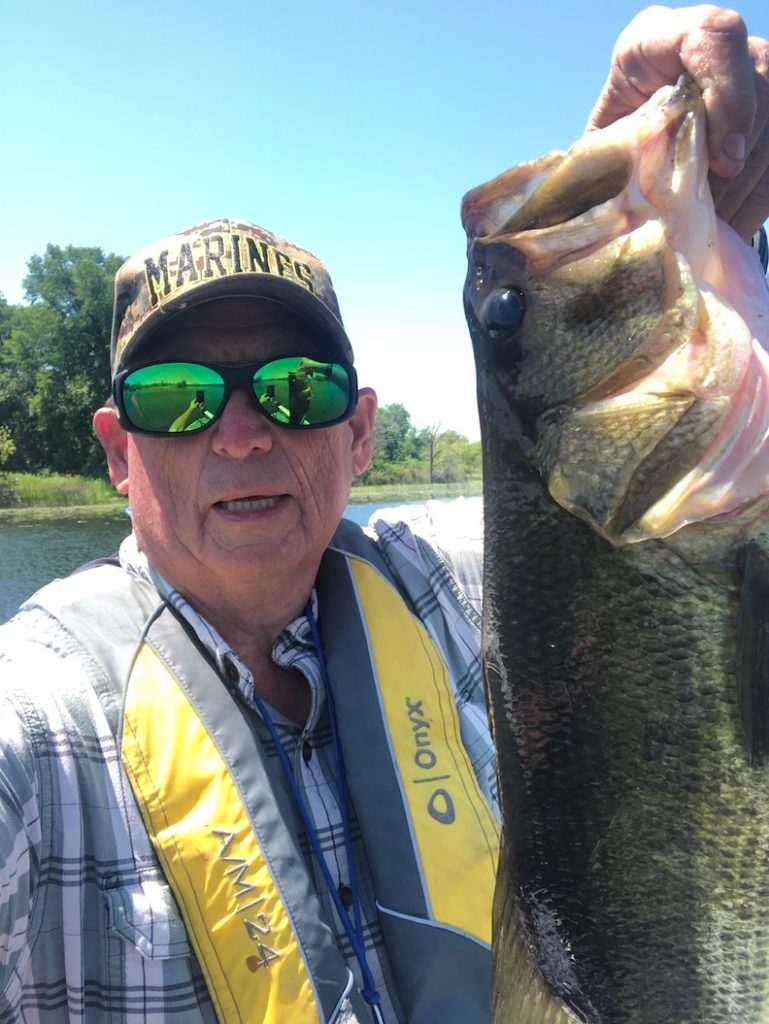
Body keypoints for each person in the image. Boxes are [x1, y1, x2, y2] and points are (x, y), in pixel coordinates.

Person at [0, 6, 767, 1022]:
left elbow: (595, 520)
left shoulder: (448, 581)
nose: (240, 434)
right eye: (176, 396)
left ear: (358, 436)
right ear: (113, 450)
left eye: (297, 387)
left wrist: (649, 185)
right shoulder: (42, 720)